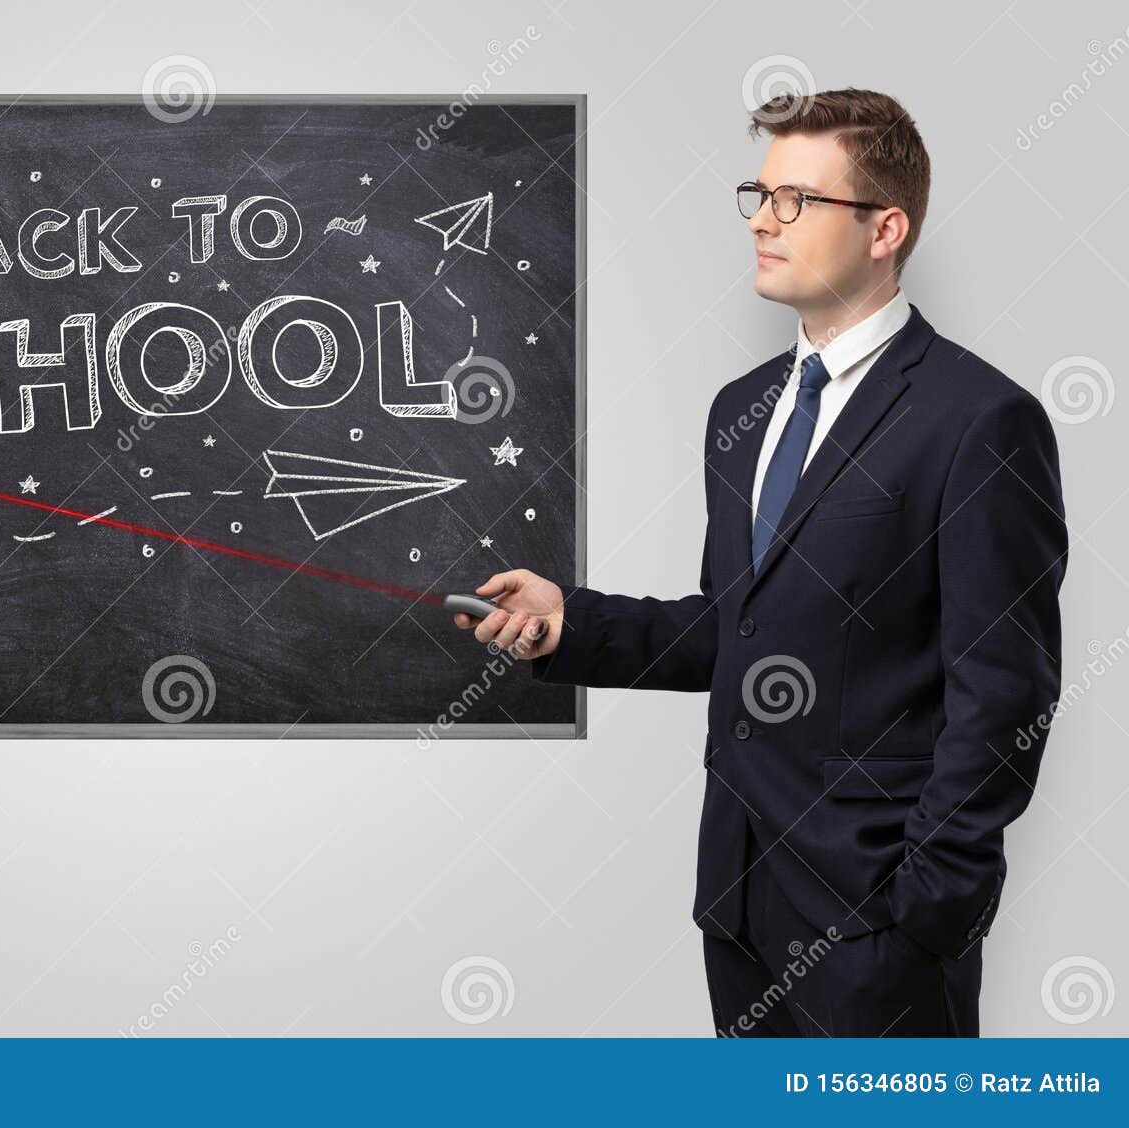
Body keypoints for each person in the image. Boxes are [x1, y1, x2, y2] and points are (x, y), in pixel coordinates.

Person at [456, 88, 1066, 1036]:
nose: (762, 222)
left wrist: (926, 912)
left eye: (797, 200)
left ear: (885, 229)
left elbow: (1006, 692)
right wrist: (570, 623)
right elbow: (737, 629)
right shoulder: (740, 410)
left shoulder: (979, 419)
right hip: (738, 903)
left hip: (880, 925)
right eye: (760, 194)